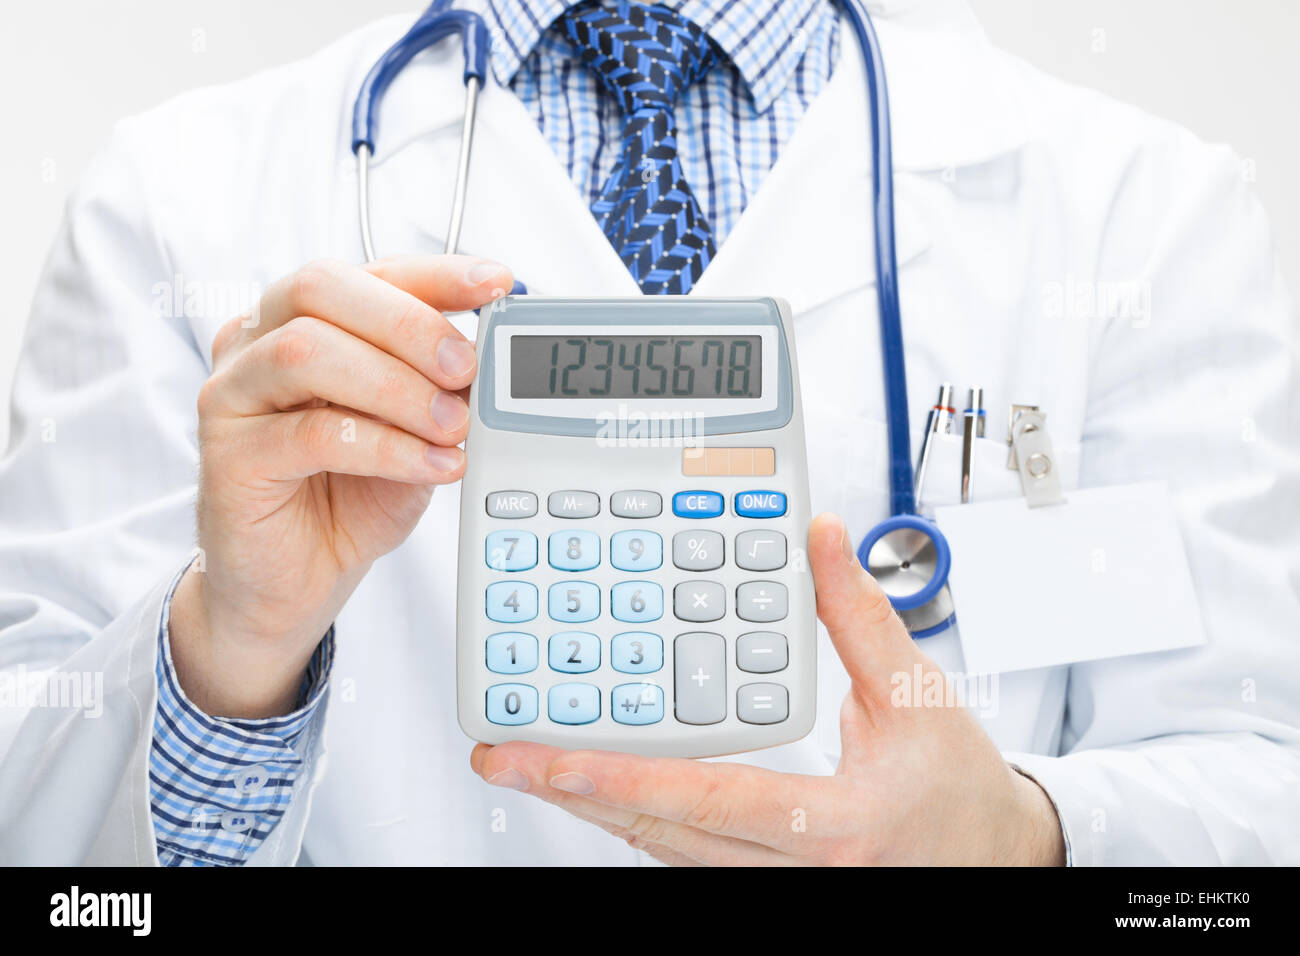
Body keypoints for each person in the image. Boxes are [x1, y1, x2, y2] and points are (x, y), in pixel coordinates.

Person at [0, 0, 1296, 866]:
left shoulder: (1132, 214)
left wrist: (1027, 840)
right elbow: (49, 868)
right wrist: (227, 659)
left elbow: (1254, 802)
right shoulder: (175, 203)